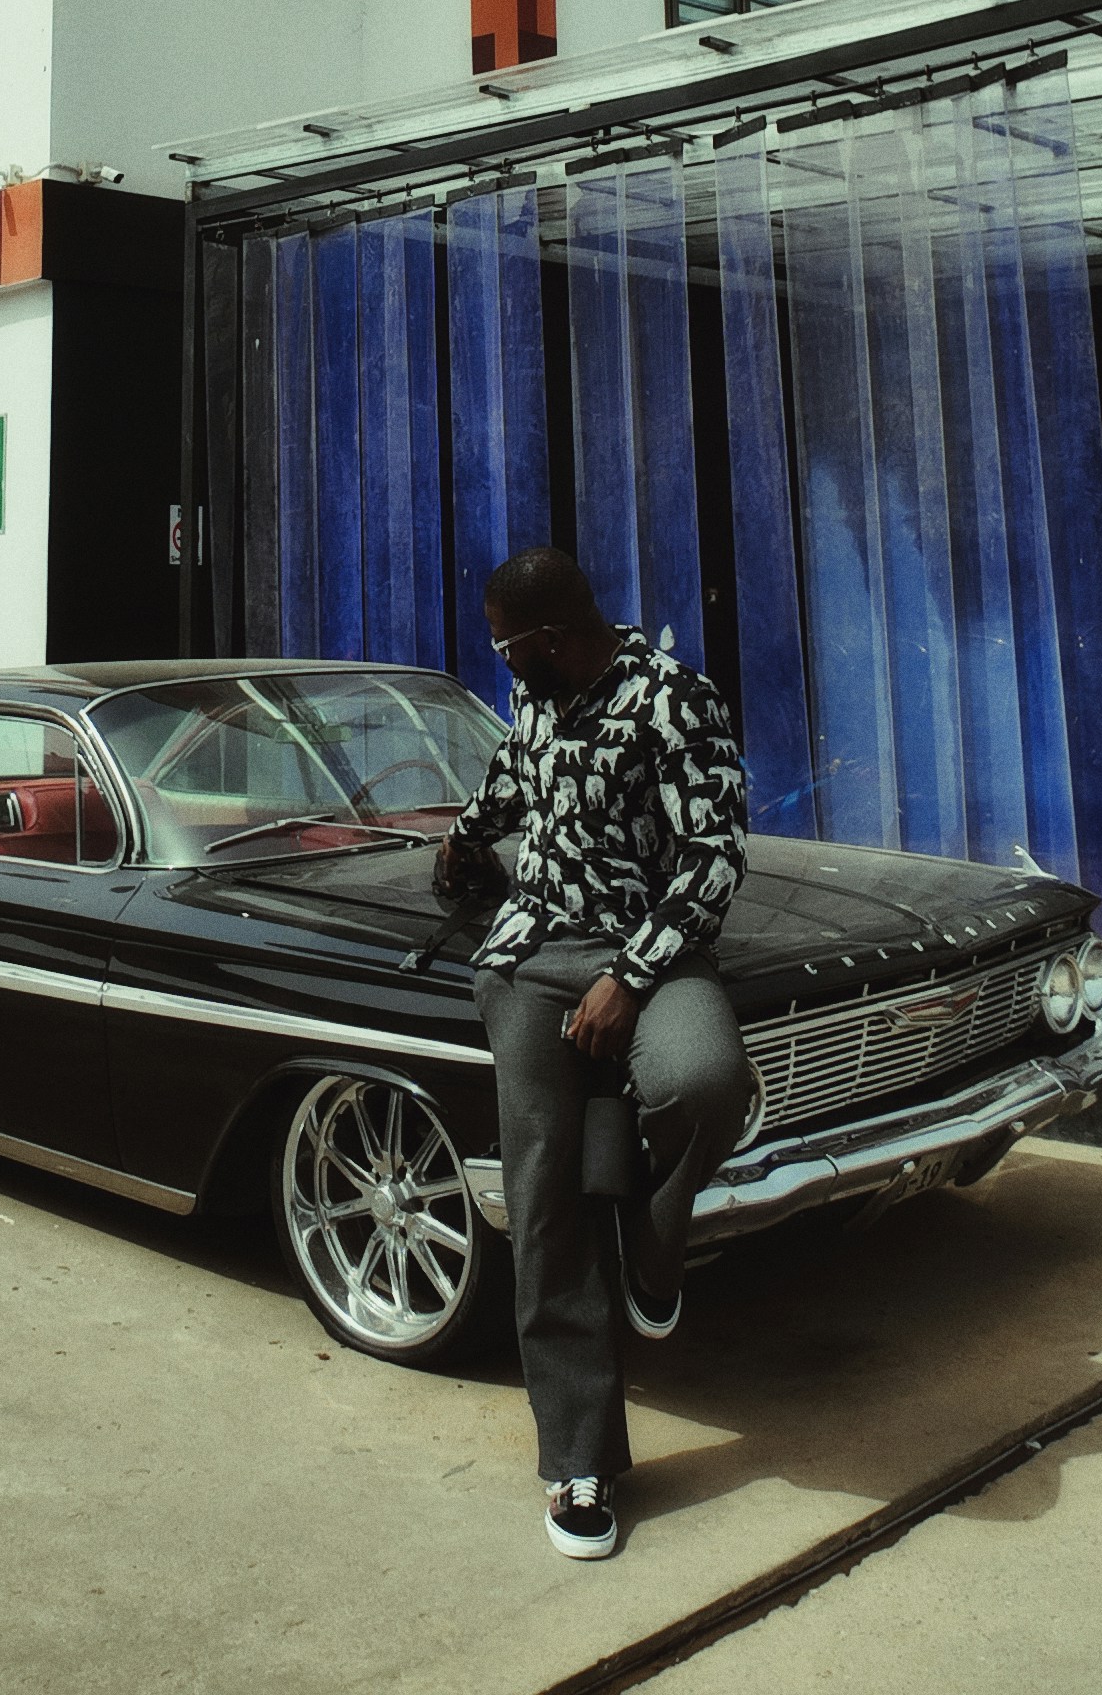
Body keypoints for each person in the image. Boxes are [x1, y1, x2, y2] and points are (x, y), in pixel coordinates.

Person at [434, 545, 749, 1564]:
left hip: (648, 949)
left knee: (705, 1083)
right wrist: (459, 846)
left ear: (553, 636)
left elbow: (714, 855)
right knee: (542, 1191)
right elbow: (507, 788)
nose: (500, 661)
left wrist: (634, 975)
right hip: (532, 954)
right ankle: (580, 1462)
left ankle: (652, 1247)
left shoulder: (672, 701)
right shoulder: (535, 702)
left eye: (507, 645)